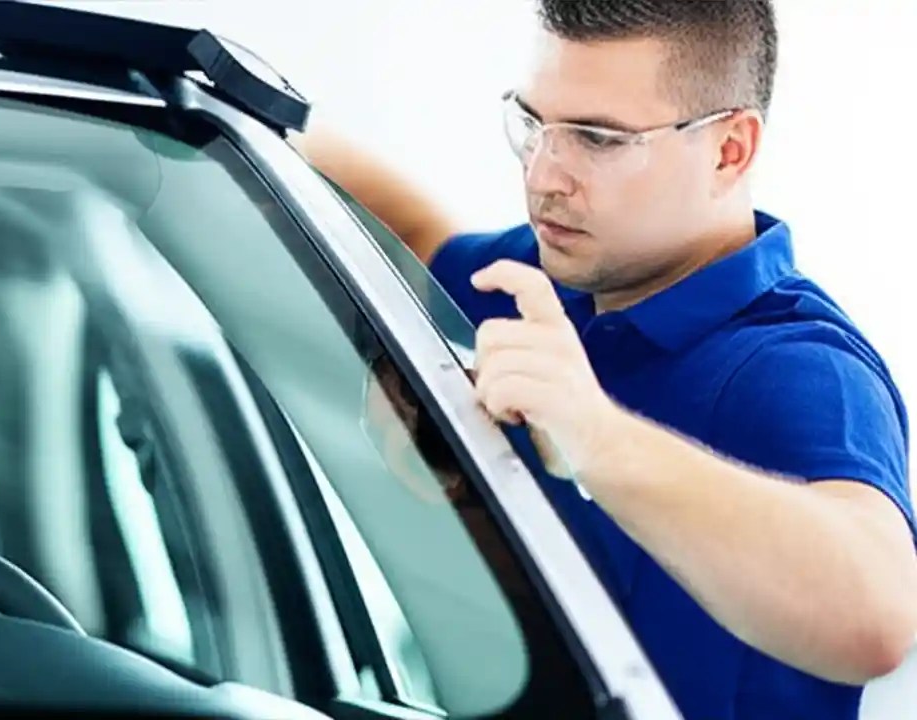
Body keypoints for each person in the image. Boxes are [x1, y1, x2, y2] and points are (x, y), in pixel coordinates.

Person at [297, 1, 917, 718]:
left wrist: (596, 437)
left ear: (729, 151)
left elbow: (876, 621)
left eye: (597, 138)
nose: (544, 177)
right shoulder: (546, 278)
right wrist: (233, 113)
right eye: (535, 125)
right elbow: (412, 234)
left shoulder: (797, 370)